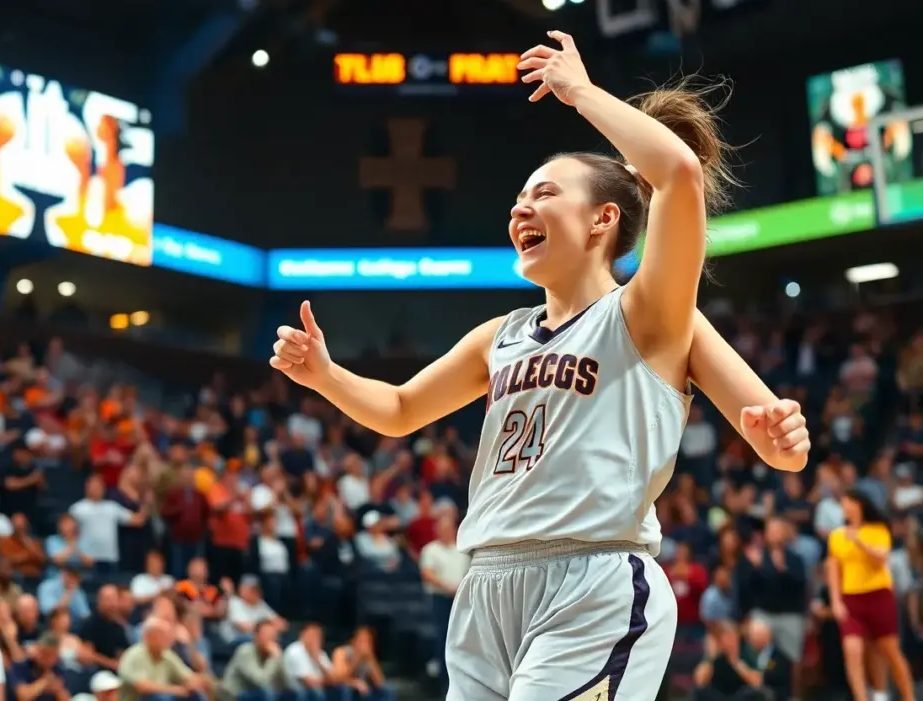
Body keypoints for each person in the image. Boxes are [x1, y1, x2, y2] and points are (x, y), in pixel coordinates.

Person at [269, 31, 810, 701]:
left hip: (592, 579)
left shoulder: (647, 312)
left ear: (601, 221)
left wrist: (579, 92)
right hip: (486, 584)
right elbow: (402, 410)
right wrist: (326, 375)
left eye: (544, 193)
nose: (520, 207)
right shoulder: (501, 334)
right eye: (519, 198)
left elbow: (678, 173)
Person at [826, 488, 916, 701]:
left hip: (878, 595)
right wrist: (835, 600)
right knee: (852, 650)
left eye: (849, 502)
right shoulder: (836, 536)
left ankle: (909, 696)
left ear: (860, 504)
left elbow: (880, 559)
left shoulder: (878, 530)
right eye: (843, 503)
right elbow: (833, 570)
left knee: (890, 651)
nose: (845, 507)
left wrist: (859, 541)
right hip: (852, 597)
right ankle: (861, 698)